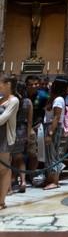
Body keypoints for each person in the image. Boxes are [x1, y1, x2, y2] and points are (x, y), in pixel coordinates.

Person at [42, 77, 68, 190]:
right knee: (49, 154)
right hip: (49, 126)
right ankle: (50, 178)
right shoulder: (54, 98)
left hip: (54, 127)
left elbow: (56, 117)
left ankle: (55, 181)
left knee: (53, 154)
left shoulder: (58, 99)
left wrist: (50, 133)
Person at [0, 76, 20, 208]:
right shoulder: (0, 99)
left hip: (4, 138)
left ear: (8, 84)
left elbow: (3, 118)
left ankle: (1, 201)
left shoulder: (14, 101)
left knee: (4, 169)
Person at [11, 81, 31, 192]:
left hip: (11, 130)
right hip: (22, 130)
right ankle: (23, 181)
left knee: (10, 158)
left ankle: (11, 181)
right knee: (20, 158)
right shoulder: (28, 102)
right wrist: (27, 136)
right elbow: (29, 121)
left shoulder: (12, 101)